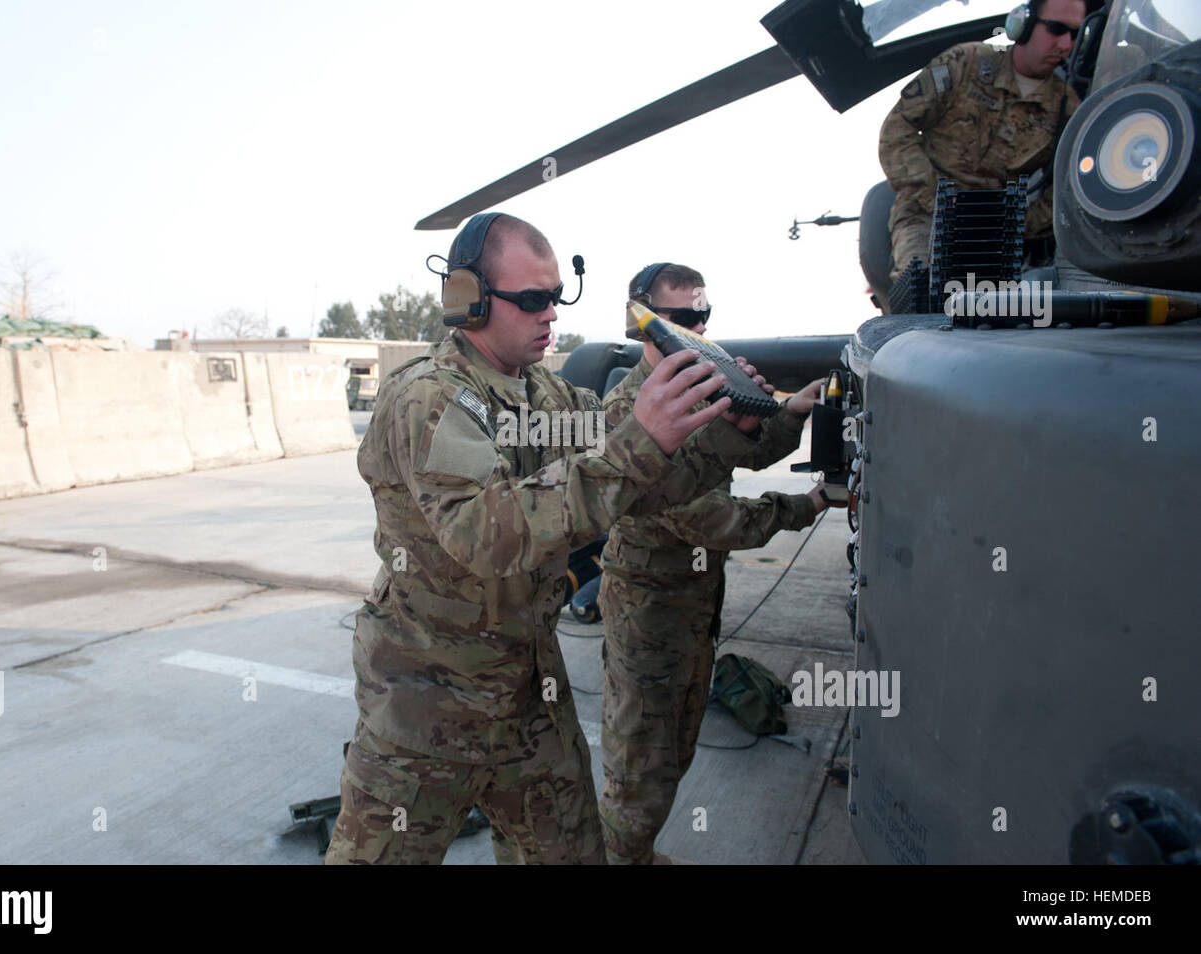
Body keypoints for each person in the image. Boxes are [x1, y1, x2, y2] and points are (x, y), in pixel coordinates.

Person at [324, 214, 800, 864]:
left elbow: (635, 479)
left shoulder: (543, 393)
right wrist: (641, 442)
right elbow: (486, 535)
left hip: (526, 691)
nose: (550, 314)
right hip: (426, 703)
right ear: (469, 300)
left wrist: (724, 426)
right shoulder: (431, 400)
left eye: (558, 297)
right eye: (532, 300)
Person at [596, 263, 833, 865]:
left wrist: (796, 411)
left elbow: (741, 449)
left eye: (705, 315)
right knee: (640, 769)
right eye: (684, 318)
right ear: (643, 322)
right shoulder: (633, 409)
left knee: (676, 750)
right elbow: (706, 517)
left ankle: (638, 855)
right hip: (650, 613)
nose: (699, 328)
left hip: (694, 605)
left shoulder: (699, 379)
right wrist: (804, 506)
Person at [879, 0, 1086, 281]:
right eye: (1056, 29)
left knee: (995, 308)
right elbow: (897, 129)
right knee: (920, 287)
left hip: (993, 230)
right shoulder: (965, 63)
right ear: (1021, 25)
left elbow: (1070, 185)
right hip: (925, 214)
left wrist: (1016, 223)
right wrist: (934, 197)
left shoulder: (1067, 108)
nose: (1065, 44)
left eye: (1075, 34)